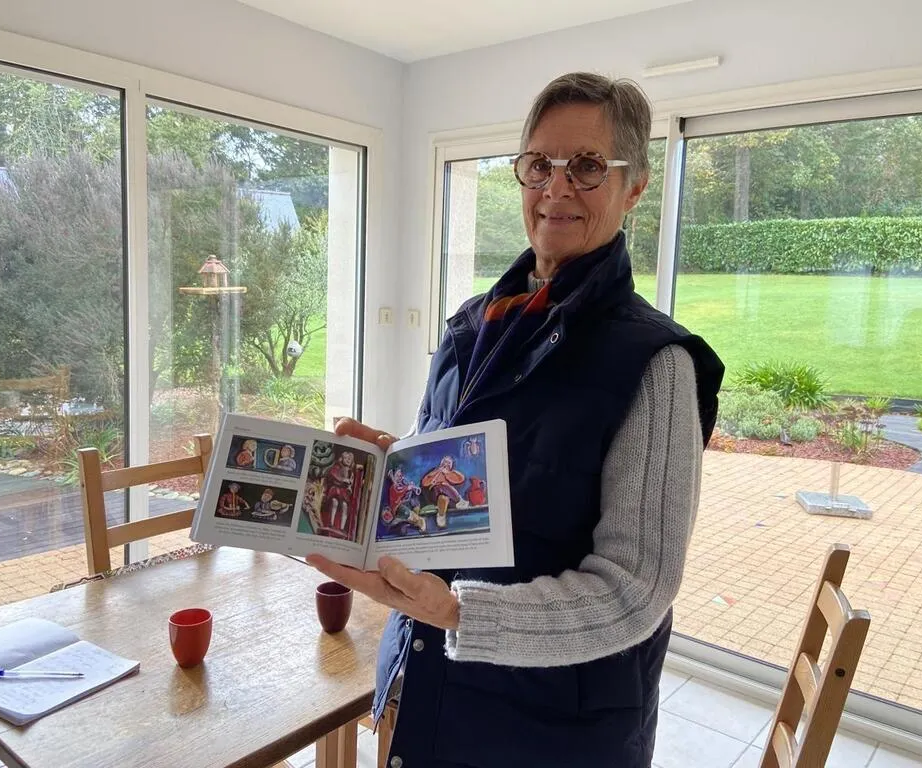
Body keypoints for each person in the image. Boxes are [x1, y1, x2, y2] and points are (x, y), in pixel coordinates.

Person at [308, 72, 724, 768]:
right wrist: (402, 461)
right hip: (423, 695)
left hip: (549, 738)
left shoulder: (654, 366)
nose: (557, 188)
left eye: (587, 166)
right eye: (539, 165)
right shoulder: (473, 325)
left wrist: (458, 613)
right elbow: (466, 493)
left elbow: (634, 593)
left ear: (635, 187)